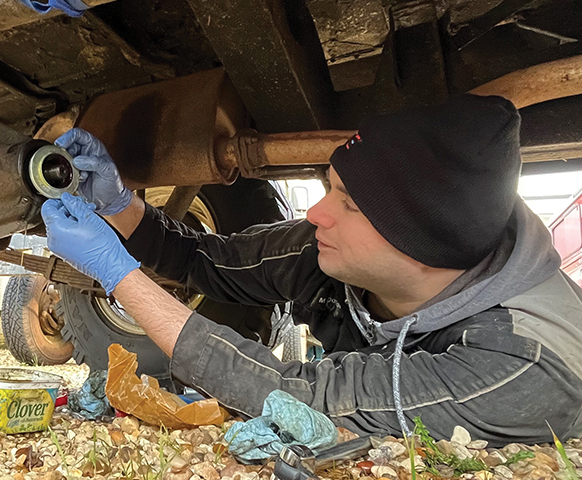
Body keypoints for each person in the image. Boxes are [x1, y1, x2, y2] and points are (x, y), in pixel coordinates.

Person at [41, 94, 582, 443]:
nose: (315, 213)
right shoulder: (328, 251)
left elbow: (298, 397)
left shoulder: (519, 362)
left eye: (348, 202)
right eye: (330, 187)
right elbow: (204, 261)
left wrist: (119, 275)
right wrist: (119, 206)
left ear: (420, 240)